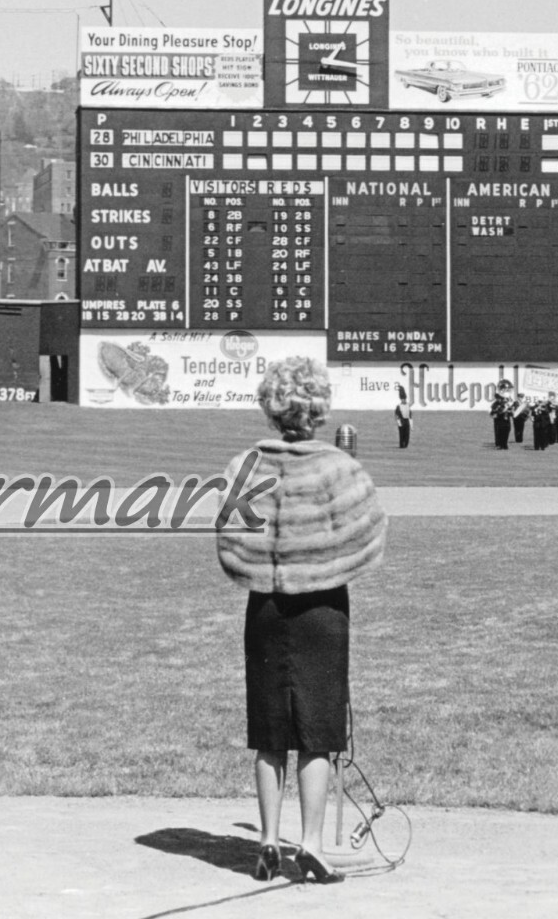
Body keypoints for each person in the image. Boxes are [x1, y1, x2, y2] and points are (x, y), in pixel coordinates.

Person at [216, 357, 387, 886]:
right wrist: (325, 565)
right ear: (318, 407)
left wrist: (272, 571)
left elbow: (229, 542)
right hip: (322, 610)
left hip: (265, 608)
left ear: (270, 406)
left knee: (270, 732)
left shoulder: (245, 465)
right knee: (318, 732)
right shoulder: (338, 466)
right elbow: (370, 536)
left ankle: (268, 841)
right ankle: (310, 846)